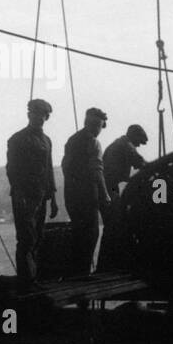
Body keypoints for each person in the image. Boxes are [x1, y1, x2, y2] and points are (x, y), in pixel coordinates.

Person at [6, 98, 59, 290]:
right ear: (29, 115)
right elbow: (12, 169)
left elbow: (49, 170)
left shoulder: (47, 140)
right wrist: (18, 191)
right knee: (26, 238)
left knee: (38, 237)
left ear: (46, 118)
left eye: (43, 116)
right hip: (24, 195)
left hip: (42, 195)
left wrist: (53, 198)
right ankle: (26, 280)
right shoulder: (17, 139)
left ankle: (33, 278)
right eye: (35, 114)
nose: (39, 118)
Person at [62, 107, 111, 278]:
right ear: (96, 125)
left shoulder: (72, 140)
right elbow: (96, 170)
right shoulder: (93, 142)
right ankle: (83, 273)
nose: (99, 130)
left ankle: (74, 272)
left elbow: (65, 166)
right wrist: (105, 194)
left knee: (77, 232)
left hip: (71, 193)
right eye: (99, 126)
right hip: (88, 194)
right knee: (91, 233)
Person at [103, 124, 149, 201]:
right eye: (139, 141)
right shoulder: (127, 146)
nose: (138, 145)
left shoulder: (118, 143)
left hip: (107, 184)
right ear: (134, 137)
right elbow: (141, 163)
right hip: (109, 186)